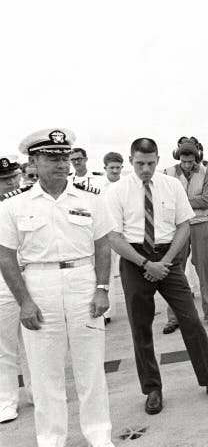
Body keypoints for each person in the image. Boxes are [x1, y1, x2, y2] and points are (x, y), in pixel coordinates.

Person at [0, 128, 116, 447]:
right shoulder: (14, 205)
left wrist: (102, 288)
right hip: (39, 285)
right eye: (52, 158)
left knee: (91, 367)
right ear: (34, 162)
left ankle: (99, 434)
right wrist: (24, 301)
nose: (62, 164)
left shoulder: (91, 198)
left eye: (64, 157)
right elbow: (6, 256)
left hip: (83, 282)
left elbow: (103, 245)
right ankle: (51, 439)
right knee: (44, 372)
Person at [104, 138, 208, 416]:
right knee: (141, 327)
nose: (145, 169)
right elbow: (114, 236)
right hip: (134, 259)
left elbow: (184, 225)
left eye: (150, 163)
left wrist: (165, 261)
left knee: (191, 321)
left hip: (168, 258)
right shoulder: (116, 191)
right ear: (130, 160)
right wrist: (145, 263)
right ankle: (152, 388)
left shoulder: (171, 186)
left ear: (158, 160)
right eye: (139, 163)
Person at [161, 141, 208, 332]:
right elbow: (165, 201)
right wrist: (191, 201)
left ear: (196, 158)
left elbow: (206, 201)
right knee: (174, 272)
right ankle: (174, 318)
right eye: (183, 161)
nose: (187, 165)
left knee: (205, 270)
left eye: (190, 161)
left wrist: (180, 200)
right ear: (178, 158)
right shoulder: (167, 173)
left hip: (200, 224)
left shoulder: (207, 172)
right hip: (177, 227)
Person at [0, 155, 27, 424]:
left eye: (13, 177)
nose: (11, 183)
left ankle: (38, 393)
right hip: (2, 283)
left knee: (35, 342)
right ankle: (6, 400)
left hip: (31, 277)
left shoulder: (27, 201)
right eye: (4, 180)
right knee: (4, 346)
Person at [99, 152, 125, 323]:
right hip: (107, 232)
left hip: (126, 233)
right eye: (111, 168)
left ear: (122, 167)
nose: (115, 171)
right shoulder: (99, 187)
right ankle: (106, 313)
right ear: (105, 168)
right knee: (106, 271)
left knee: (131, 271)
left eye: (118, 167)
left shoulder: (128, 185)